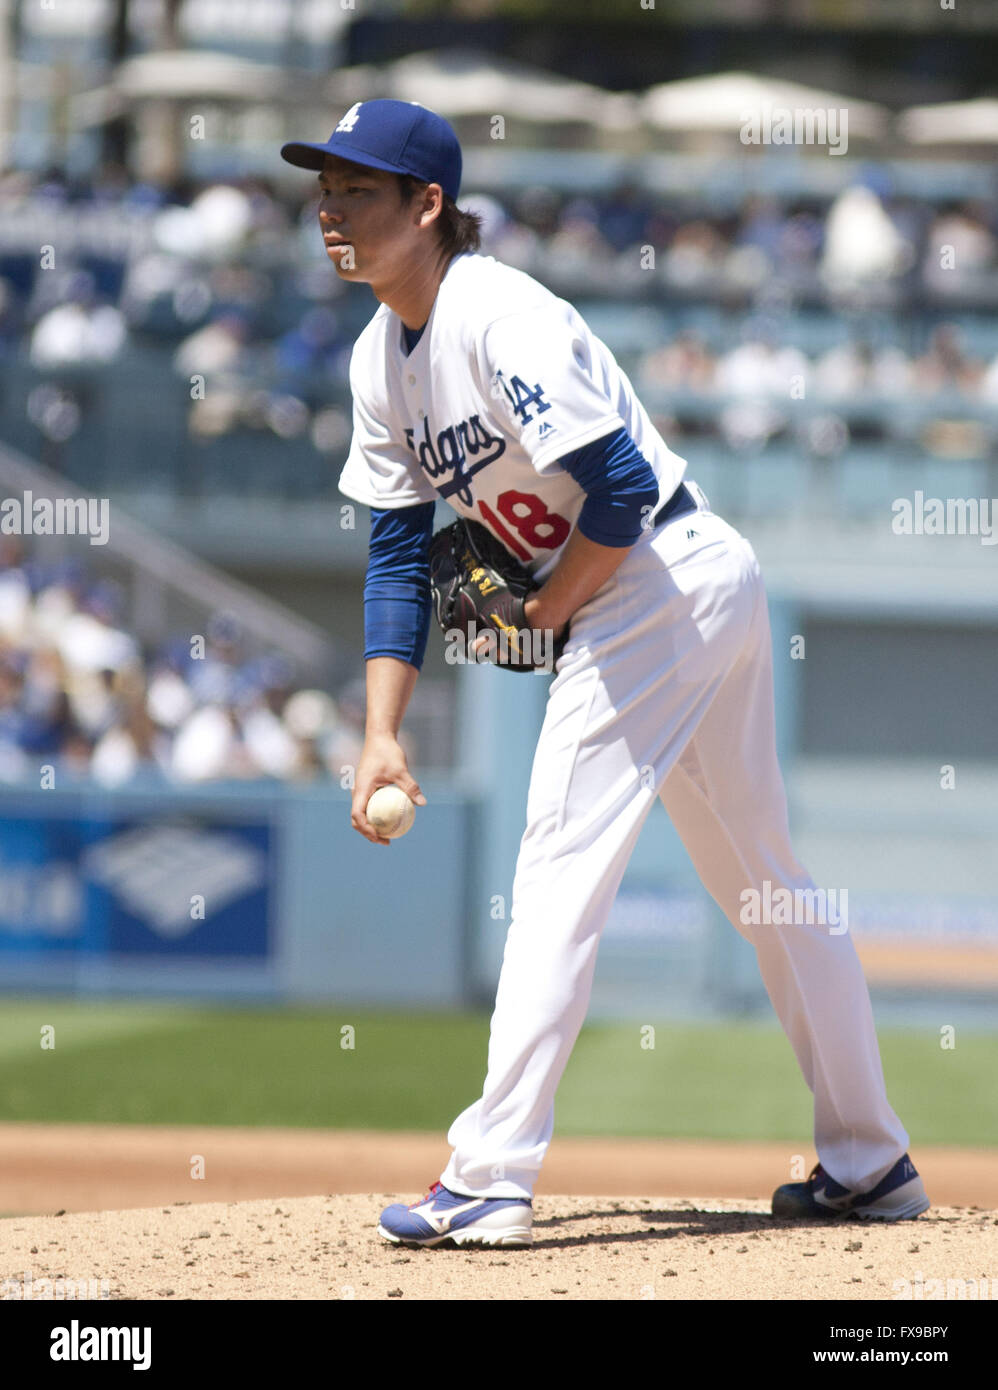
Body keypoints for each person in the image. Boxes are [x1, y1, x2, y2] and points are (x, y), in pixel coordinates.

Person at [280, 101, 930, 1248]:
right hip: (676, 588)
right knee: (765, 886)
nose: (332, 212)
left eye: (359, 191)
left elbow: (620, 486)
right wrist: (383, 731)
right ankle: (869, 1160)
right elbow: (393, 552)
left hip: (659, 576)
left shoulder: (496, 313)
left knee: (557, 862)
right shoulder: (378, 358)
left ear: (427, 206)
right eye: (324, 189)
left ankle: (488, 1174)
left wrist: (544, 607)